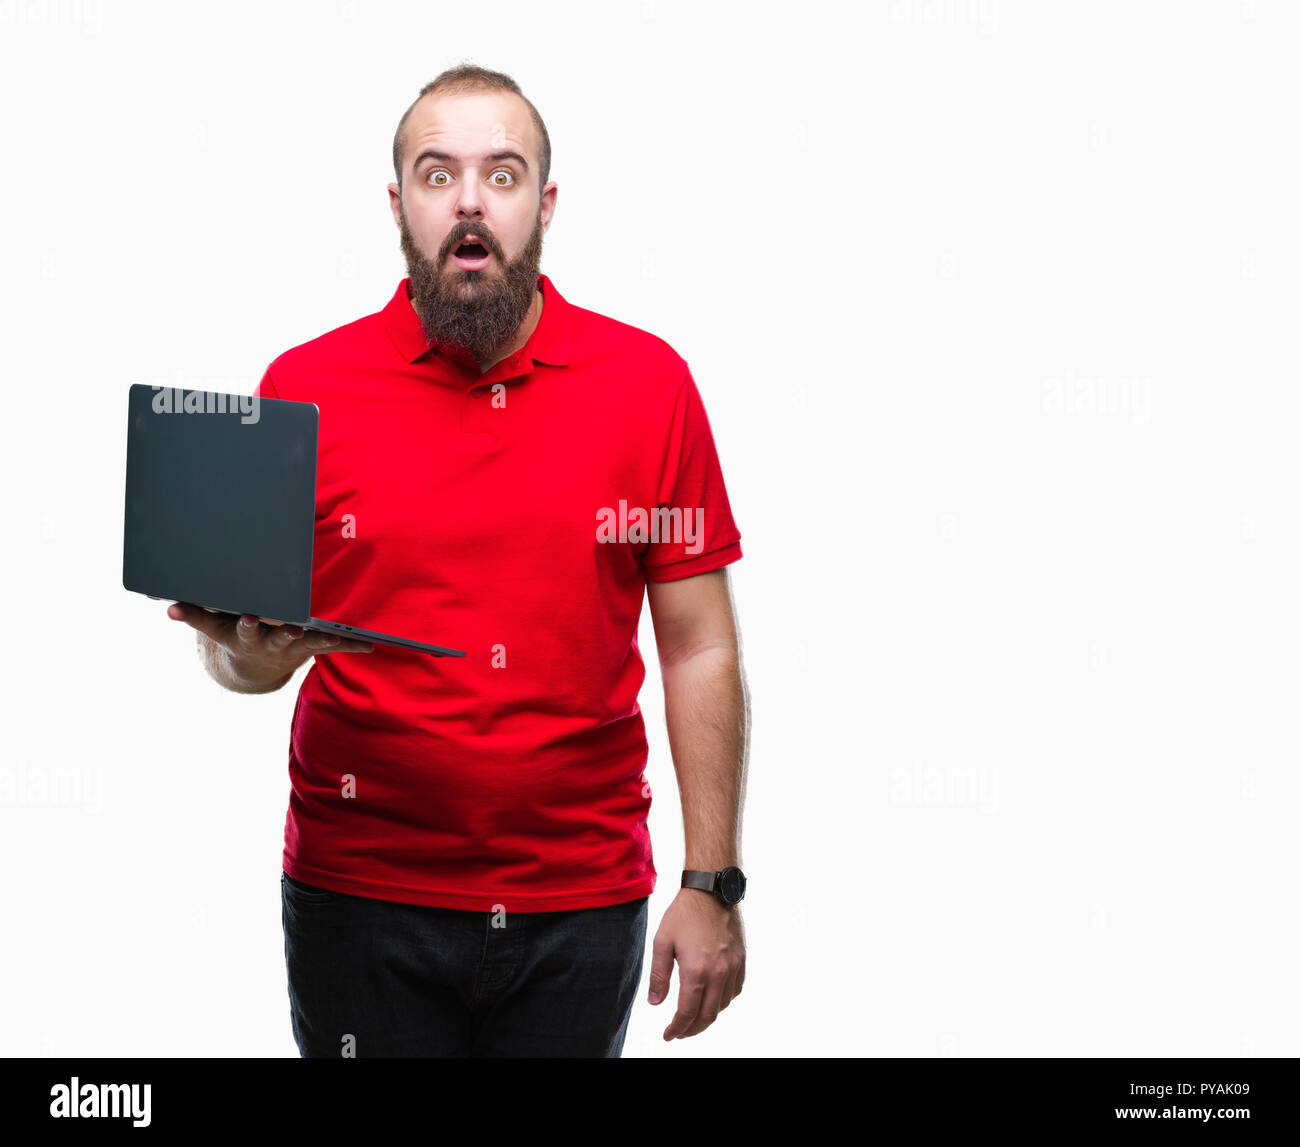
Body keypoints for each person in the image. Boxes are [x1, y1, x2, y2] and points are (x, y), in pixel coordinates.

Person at [169, 64, 750, 1058]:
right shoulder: (301, 388)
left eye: (502, 174)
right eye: (437, 176)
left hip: (579, 897)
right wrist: (253, 653)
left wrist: (710, 884)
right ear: (399, 206)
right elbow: (240, 660)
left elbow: (699, 648)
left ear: (546, 204)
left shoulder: (648, 385)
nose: (470, 200)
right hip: (358, 895)